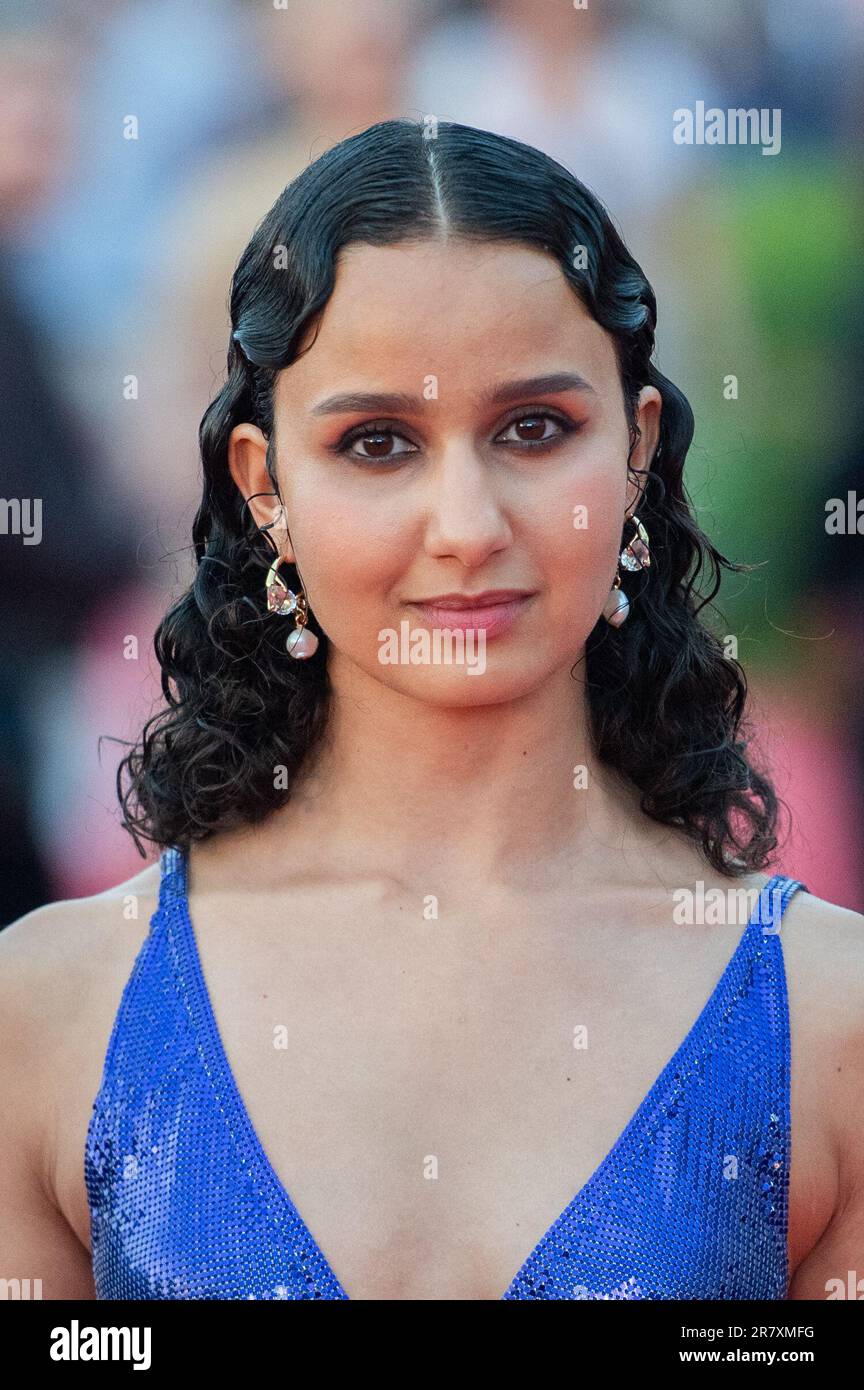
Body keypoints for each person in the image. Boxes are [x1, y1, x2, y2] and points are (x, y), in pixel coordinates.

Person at [1, 119, 861, 1302]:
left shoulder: (830, 1020)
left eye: (534, 428)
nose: (466, 523)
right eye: (377, 442)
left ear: (636, 446)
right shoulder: (49, 1013)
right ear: (264, 488)